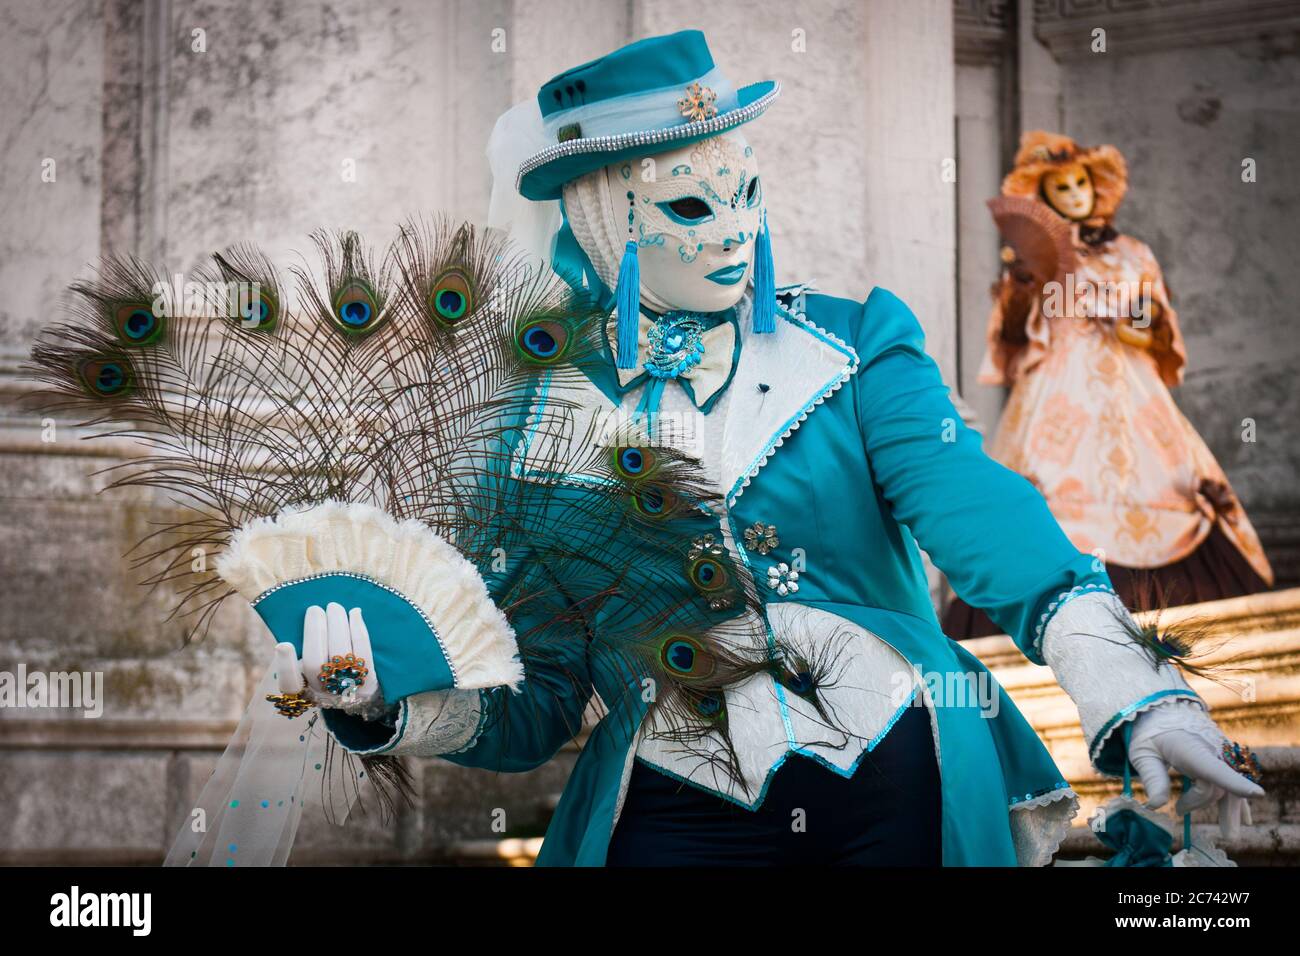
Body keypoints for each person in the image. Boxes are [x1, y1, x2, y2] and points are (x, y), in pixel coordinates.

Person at [307, 32, 1263, 866]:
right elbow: (543, 692)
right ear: (603, 221)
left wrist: (1137, 694)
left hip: (897, 759)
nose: (736, 229)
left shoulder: (857, 347)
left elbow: (983, 516)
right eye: (691, 208)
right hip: (674, 787)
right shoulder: (542, 417)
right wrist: (387, 705)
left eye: (747, 193)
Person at [943, 131, 1273, 639]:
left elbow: (1160, 322)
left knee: (1162, 480)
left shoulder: (1134, 253)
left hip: (1131, 388)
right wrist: (1023, 285)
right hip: (1060, 387)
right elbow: (1011, 339)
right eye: (1061, 188)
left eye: (1080, 183)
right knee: (1040, 492)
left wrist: (1136, 325)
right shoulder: (1037, 256)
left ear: (1098, 187)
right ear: (1044, 198)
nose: (1074, 194)